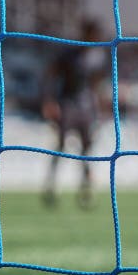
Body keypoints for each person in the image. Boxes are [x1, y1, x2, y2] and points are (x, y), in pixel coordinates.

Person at [41, 20, 109, 208]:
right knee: (60, 146)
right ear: (85, 34)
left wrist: (101, 109)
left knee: (87, 151)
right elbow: (50, 75)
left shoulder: (98, 57)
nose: (95, 39)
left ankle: (86, 190)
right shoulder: (69, 54)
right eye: (92, 35)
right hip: (67, 106)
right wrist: (49, 100)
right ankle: (51, 186)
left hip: (87, 110)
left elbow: (97, 86)